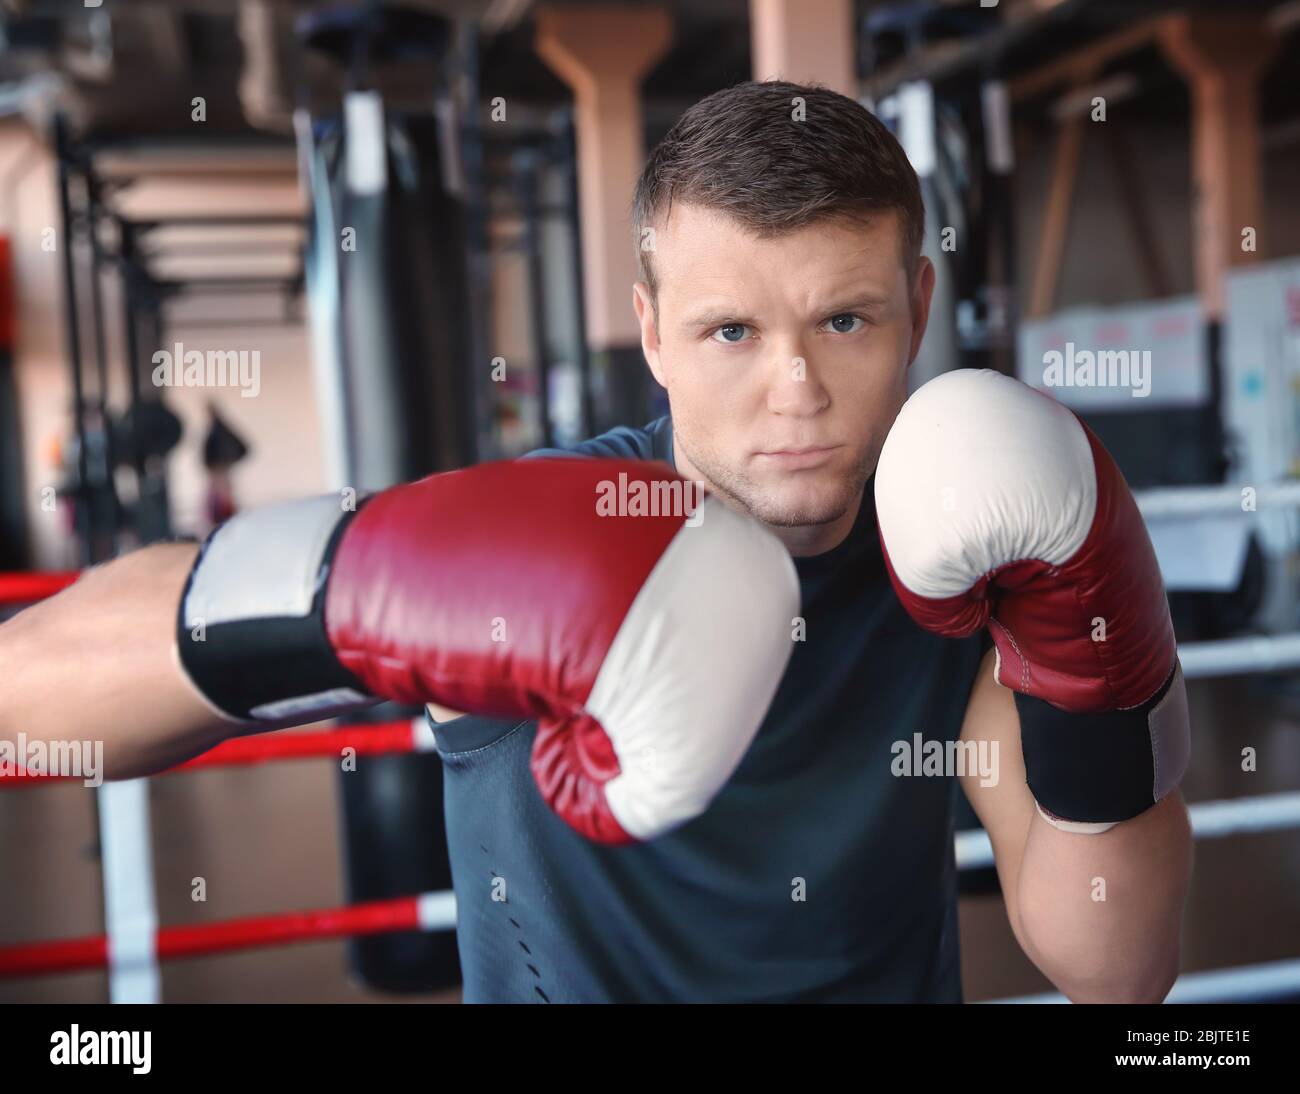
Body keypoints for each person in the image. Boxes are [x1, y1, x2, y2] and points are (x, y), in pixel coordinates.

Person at [0, 80, 1191, 1003]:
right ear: (652, 333)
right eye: (730, 329)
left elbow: (1116, 970)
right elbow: (21, 698)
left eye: (845, 318)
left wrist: (1101, 668)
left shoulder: (960, 560)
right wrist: (356, 585)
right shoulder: (548, 531)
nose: (796, 388)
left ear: (917, 311)